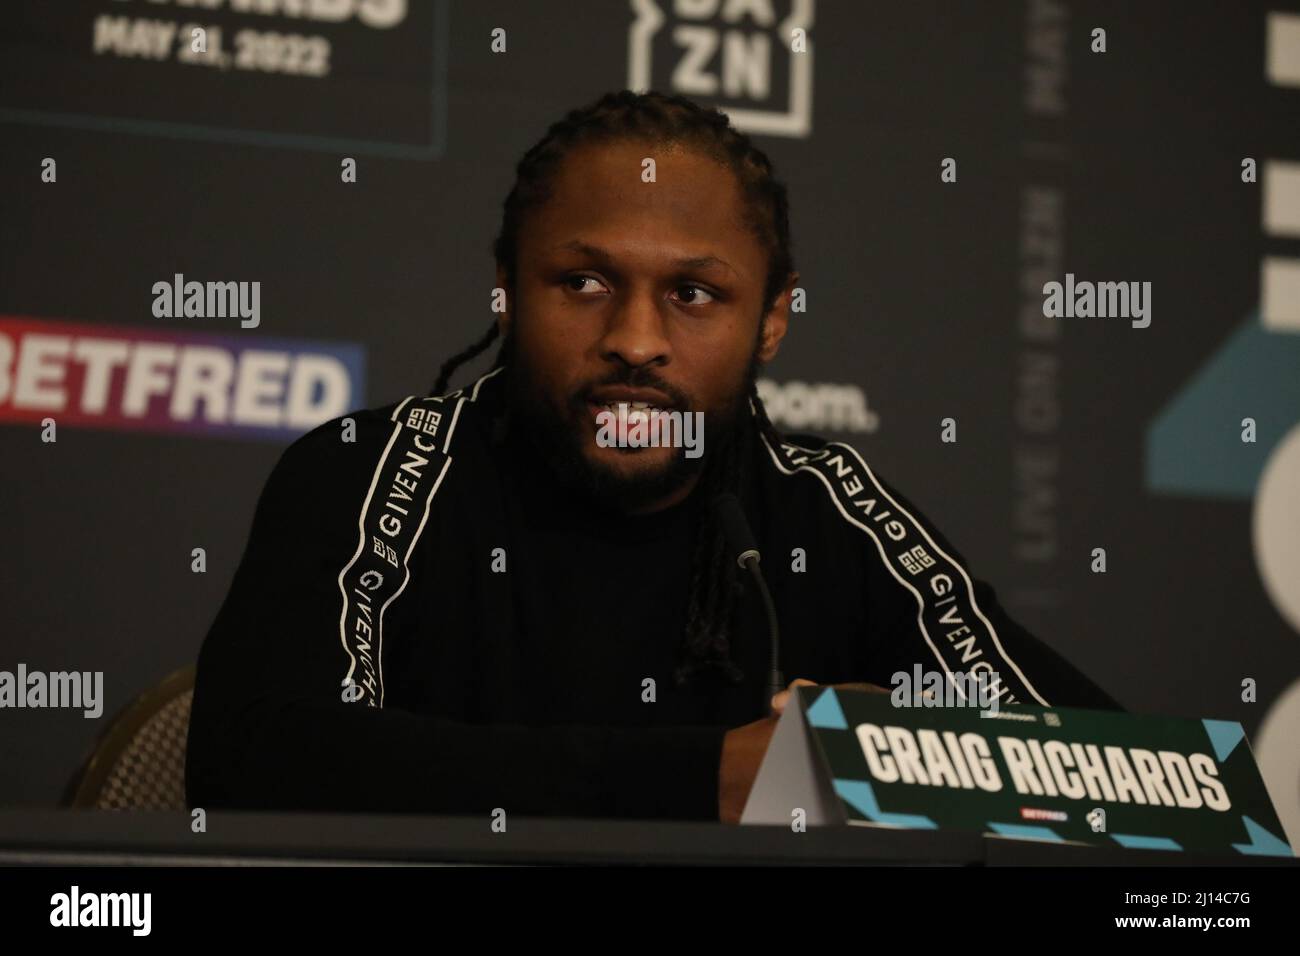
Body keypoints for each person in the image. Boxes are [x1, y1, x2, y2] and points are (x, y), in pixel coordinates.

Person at [186, 90, 1120, 825]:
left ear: (775, 318)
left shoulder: (828, 512)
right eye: (583, 281)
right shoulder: (372, 474)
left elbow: (1136, 782)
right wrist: (708, 779)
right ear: (507, 289)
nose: (635, 338)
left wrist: (903, 756)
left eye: (694, 293)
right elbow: (254, 763)